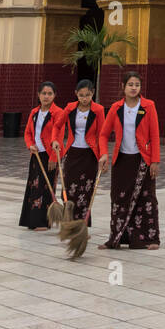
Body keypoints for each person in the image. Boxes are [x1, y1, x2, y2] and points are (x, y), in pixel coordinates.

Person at [97, 71, 160, 250]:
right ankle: (116, 238)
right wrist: (104, 154)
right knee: (119, 198)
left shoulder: (148, 106)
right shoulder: (117, 108)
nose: (133, 88)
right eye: (130, 84)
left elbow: (155, 135)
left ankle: (150, 239)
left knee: (146, 198)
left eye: (137, 85)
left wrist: (155, 160)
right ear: (123, 87)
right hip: (122, 160)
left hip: (143, 160)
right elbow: (103, 134)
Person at [19, 81, 64, 230]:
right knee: (33, 186)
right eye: (43, 93)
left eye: (49, 93)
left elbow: (58, 136)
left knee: (46, 187)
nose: (46, 96)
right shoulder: (34, 112)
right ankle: (30, 219)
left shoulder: (58, 113)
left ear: (54, 96)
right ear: (38, 95)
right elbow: (28, 133)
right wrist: (30, 145)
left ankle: (43, 222)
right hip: (36, 154)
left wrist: (53, 157)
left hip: (50, 155)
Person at [58, 79, 105, 220]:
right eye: (81, 95)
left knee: (85, 190)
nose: (85, 99)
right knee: (68, 189)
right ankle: (68, 221)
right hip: (72, 153)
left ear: (93, 93)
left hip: (89, 155)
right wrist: (55, 140)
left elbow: (102, 134)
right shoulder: (70, 108)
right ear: (76, 94)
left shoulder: (98, 110)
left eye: (88, 95)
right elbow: (57, 125)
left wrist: (103, 155)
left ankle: (81, 225)